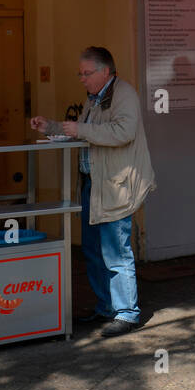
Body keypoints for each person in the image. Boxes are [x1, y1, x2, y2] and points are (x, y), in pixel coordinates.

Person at [30, 47, 155, 336]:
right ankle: (107, 307)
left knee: (116, 249)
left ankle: (126, 313)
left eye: (87, 73)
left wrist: (81, 130)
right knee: (93, 248)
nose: (82, 79)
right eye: (81, 74)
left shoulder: (124, 95)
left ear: (105, 72)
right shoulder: (94, 99)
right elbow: (82, 131)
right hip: (93, 183)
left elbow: (122, 133)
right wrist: (49, 126)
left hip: (116, 184)